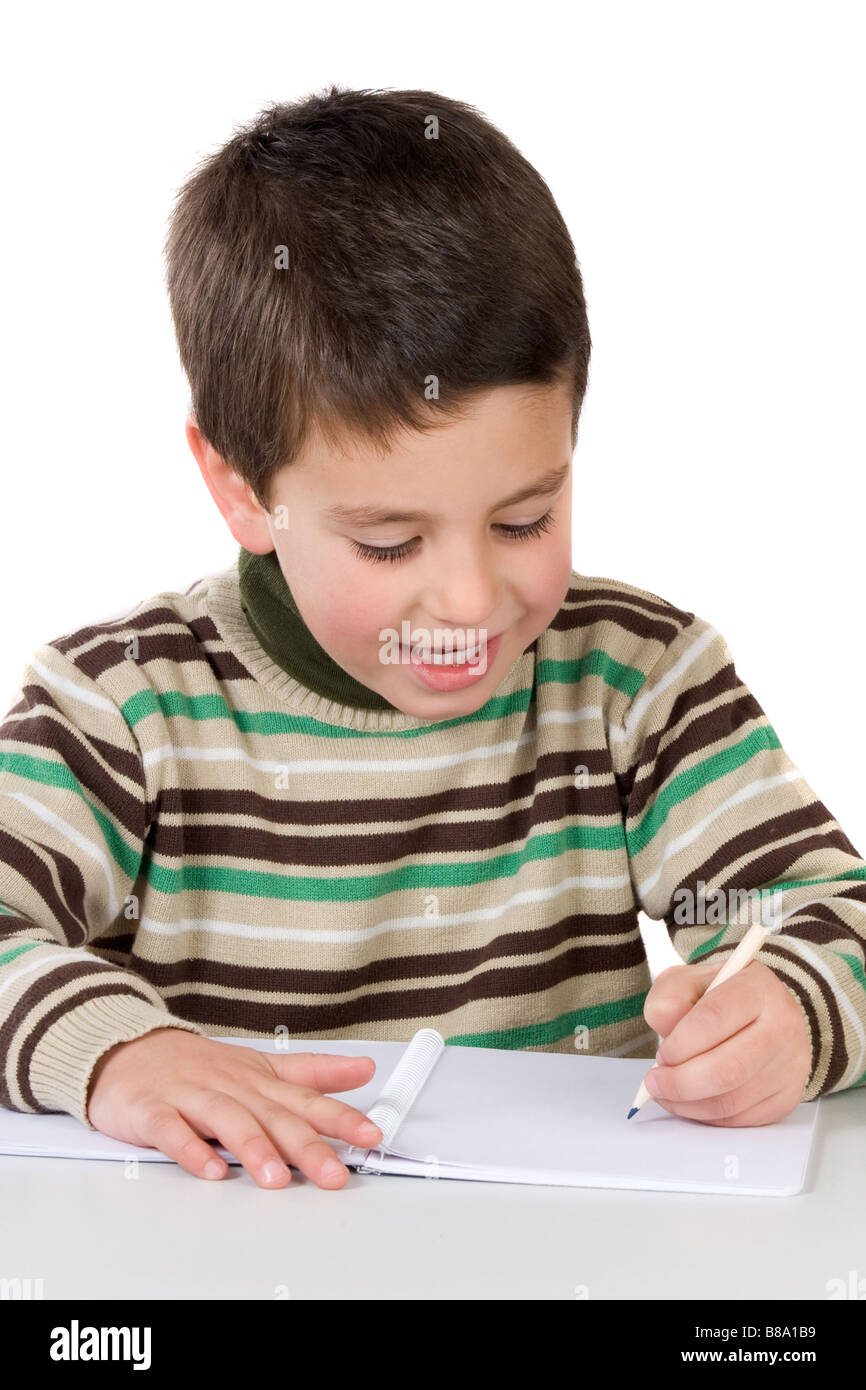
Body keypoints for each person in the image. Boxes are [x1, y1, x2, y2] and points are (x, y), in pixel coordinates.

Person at [1, 86, 862, 1192]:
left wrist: (792, 1001)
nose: (468, 602)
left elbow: (820, 911)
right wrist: (118, 1051)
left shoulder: (631, 683)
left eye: (523, 519)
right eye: (389, 542)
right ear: (239, 488)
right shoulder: (122, 709)